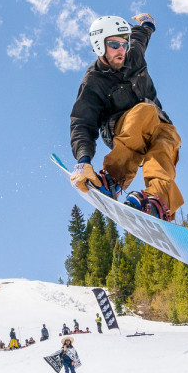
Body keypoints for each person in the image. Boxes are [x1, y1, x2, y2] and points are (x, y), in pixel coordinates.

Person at [67, 14, 182, 221]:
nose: (122, 50)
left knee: (170, 136)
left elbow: (142, 35)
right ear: (100, 45)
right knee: (144, 111)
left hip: (156, 123)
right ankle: (113, 179)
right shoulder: (93, 81)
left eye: (124, 44)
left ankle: (157, 199)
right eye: (114, 44)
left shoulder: (134, 53)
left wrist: (148, 24)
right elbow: (82, 123)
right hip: (122, 130)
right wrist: (83, 160)